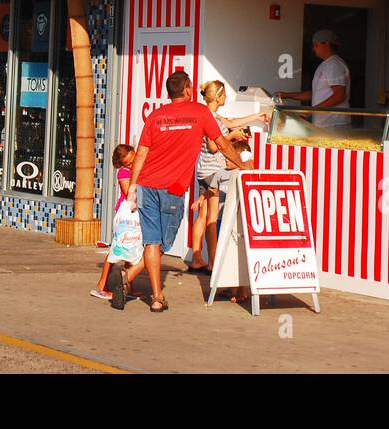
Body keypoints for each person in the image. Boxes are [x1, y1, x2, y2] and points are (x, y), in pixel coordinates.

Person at [123, 70, 246, 313]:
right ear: (188, 89)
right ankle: (148, 290)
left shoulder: (156, 115)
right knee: (161, 243)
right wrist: (242, 166)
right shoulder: (200, 112)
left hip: (147, 184)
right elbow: (221, 144)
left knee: (152, 241)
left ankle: (148, 290)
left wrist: (132, 187)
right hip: (173, 188)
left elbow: (141, 154)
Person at [189, 80, 265, 274]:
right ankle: (214, 263)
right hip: (214, 171)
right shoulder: (211, 117)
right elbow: (215, 146)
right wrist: (231, 137)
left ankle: (197, 258)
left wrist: (256, 116)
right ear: (218, 96)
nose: (227, 98)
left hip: (203, 170)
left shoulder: (209, 114)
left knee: (203, 215)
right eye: (224, 95)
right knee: (213, 218)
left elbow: (230, 123)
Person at [92, 143, 139, 303]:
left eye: (134, 160)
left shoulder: (135, 168)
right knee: (116, 249)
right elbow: (129, 193)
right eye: (129, 162)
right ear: (122, 163)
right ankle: (101, 286)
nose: (132, 164)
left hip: (135, 214)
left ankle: (128, 286)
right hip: (125, 215)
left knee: (131, 249)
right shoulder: (124, 172)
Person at [278, 29, 352, 127]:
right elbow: (315, 93)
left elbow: (339, 96)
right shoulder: (324, 65)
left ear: (326, 44)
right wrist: (286, 95)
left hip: (334, 123)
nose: (313, 49)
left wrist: (311, 111)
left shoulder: (334, 64)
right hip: (324, 123)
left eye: (316, 45)